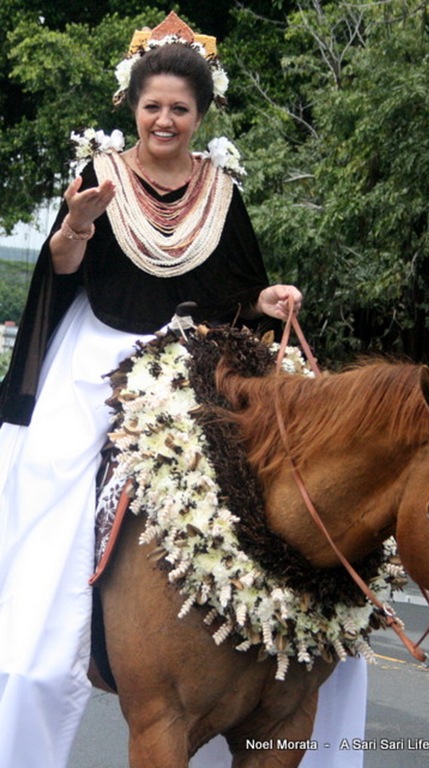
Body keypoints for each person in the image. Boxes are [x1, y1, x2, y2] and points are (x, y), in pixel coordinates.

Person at [0, 12, 366, 768]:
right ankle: (35, 645)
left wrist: (266, 303)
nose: (164, 120)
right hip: (100, 359)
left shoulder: (222, 187)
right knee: (57, 478)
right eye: (152, 107)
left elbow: (236, 289)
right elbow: (64, 271)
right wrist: (74, 226)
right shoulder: (100, 176)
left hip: (204, 352)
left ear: (201, 116)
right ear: (131, 107)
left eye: (180, 109)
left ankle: (321, 633)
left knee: (304, 468)